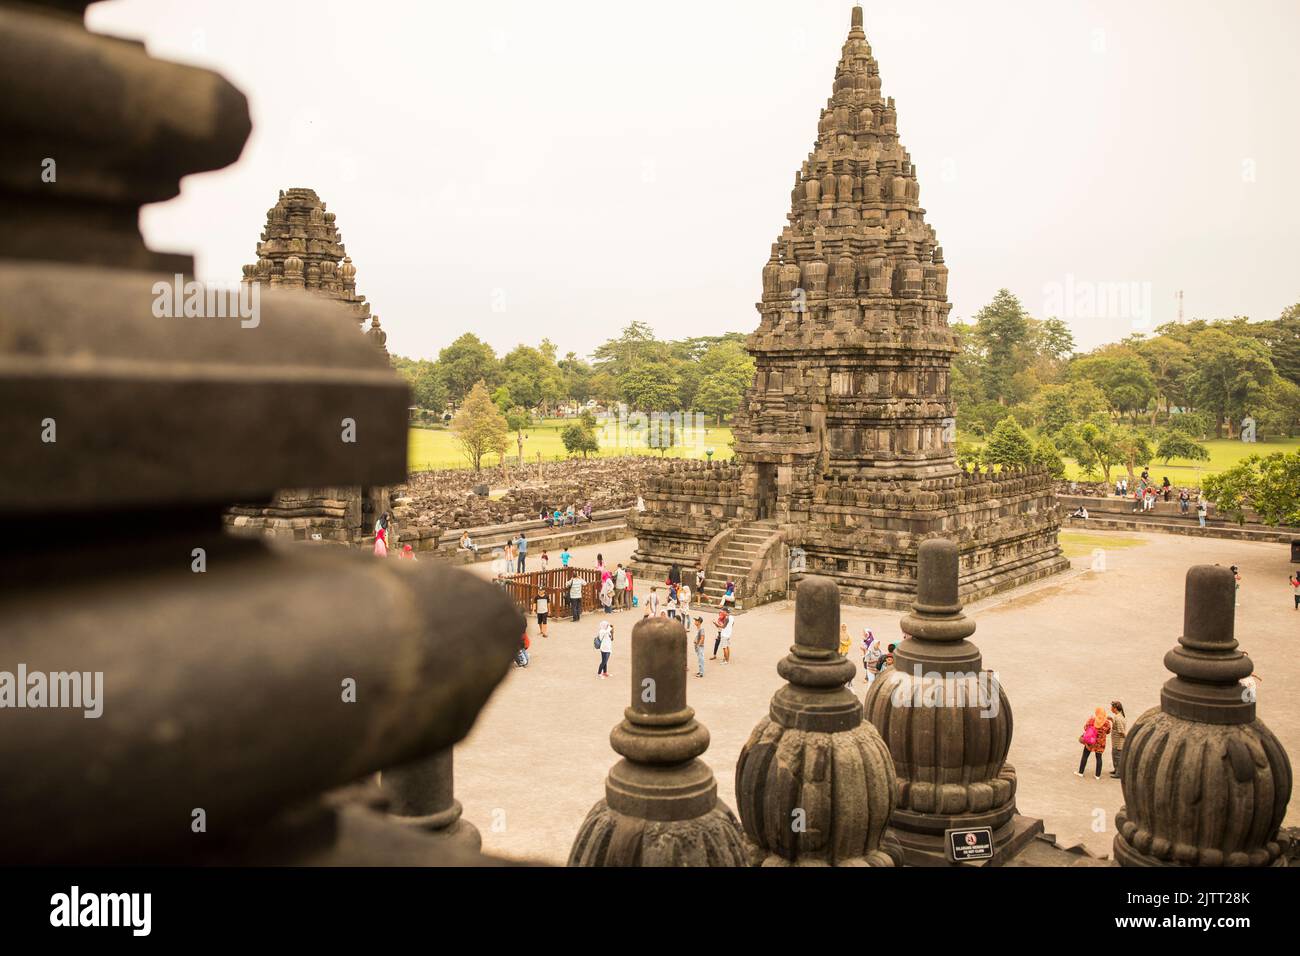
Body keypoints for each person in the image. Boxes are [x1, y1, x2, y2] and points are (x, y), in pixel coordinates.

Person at [1075, 706, 1111, 780]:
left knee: (1085, 755)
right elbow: (1108, 731)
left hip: (1090, 741)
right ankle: (1097, 775)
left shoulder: (1092, 720)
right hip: (1100, 743)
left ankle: (1080, 772)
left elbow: (1085, 728)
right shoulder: (1107, 722)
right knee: (1099, 758)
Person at [1107, 701, 1126, 778]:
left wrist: (1127, 739)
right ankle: (1116, 770)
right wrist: (1112, 720)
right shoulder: (1118, 717)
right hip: (1116, 742)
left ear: (1115, 708)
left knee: (1117, 757)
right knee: (1115, 756)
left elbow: (1121, 732)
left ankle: (1119, 773)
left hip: (1119, 743)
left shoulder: (1118, 718)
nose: (1111, 709)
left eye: (1112, 707)